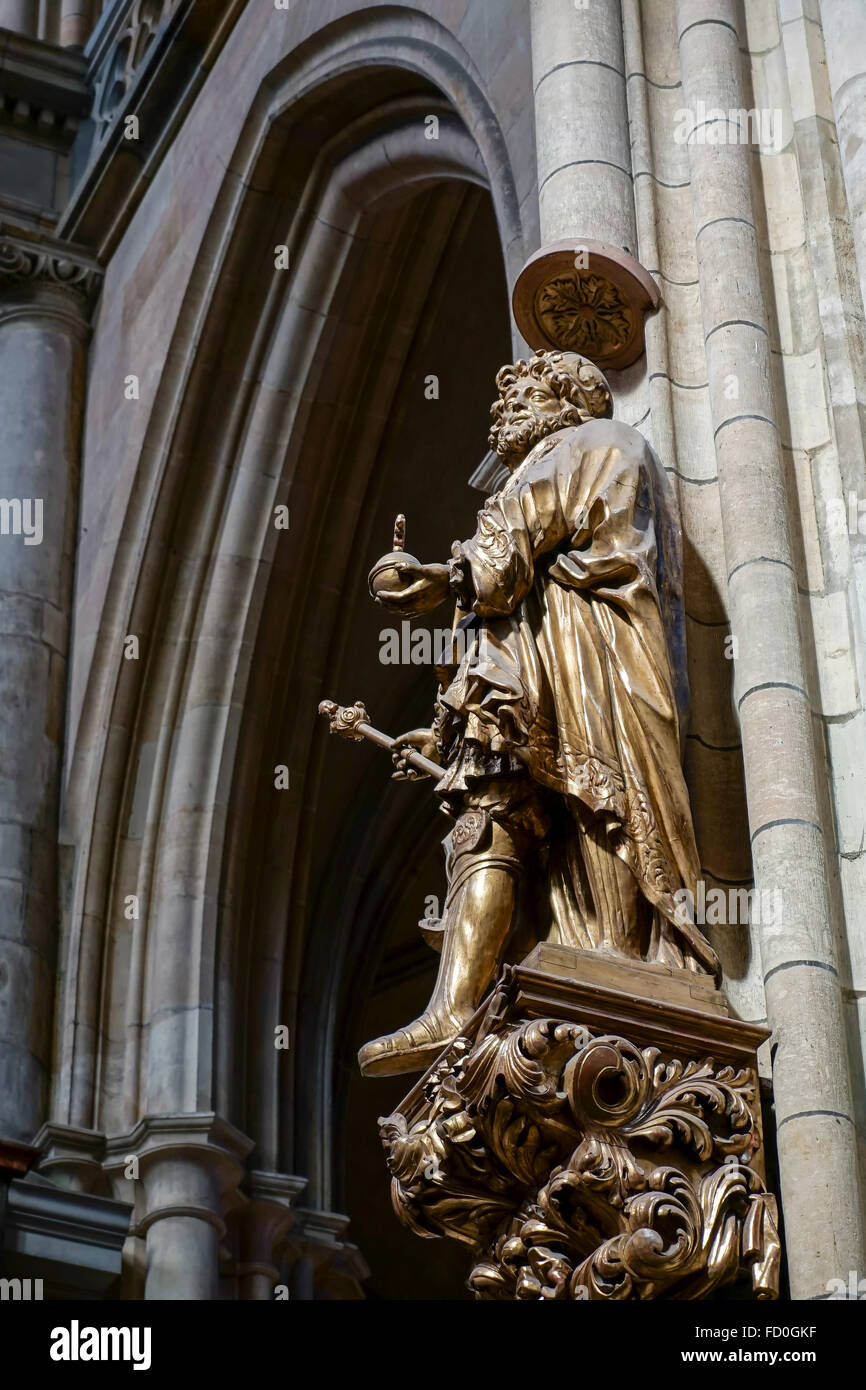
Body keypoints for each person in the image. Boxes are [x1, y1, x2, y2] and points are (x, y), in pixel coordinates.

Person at [358, 350, 718, 1077]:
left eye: (520, 397)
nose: (504, 414)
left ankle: (615, 964)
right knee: (490, 818)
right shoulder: (551, 462)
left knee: (602, 808)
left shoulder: (591, 444)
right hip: (537, 683)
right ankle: (465, 1003)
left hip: (592, 668)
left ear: (565, 400)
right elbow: (502, 608)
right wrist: (448, 727)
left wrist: (442, 576)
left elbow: (511, 553)